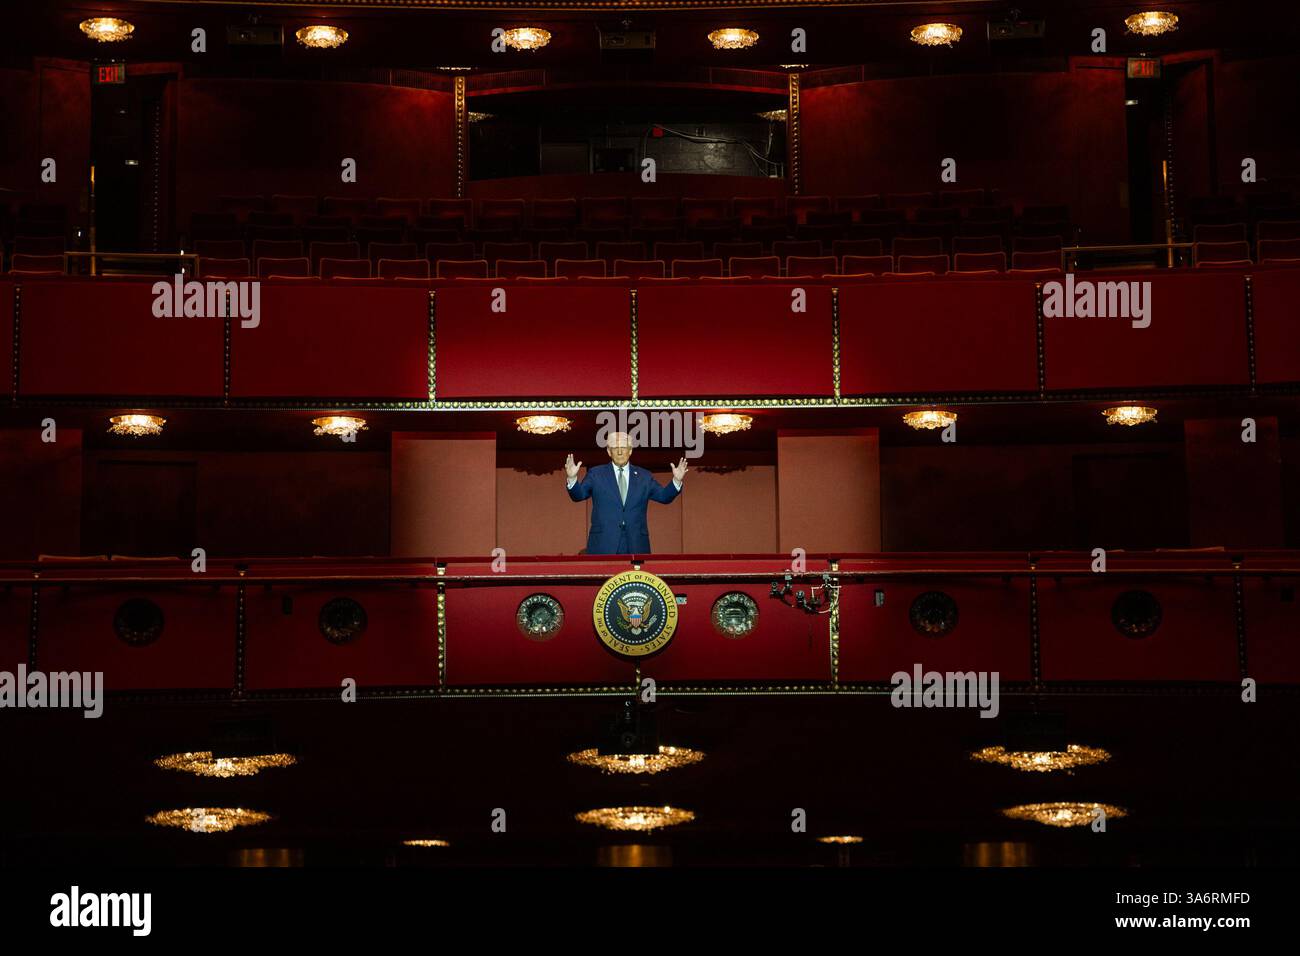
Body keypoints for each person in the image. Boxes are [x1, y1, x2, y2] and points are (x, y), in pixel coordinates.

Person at [565, 432, 687, 555]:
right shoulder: (596, 474)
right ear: (608, 451)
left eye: (623, 448)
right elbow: (578, 495)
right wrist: (572, 478)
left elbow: (664, 496)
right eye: (615, 448)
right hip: (603, 543)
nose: (619, 452)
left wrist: (676, 480)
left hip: (636, 544)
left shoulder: (644, 476)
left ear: (630, 450)